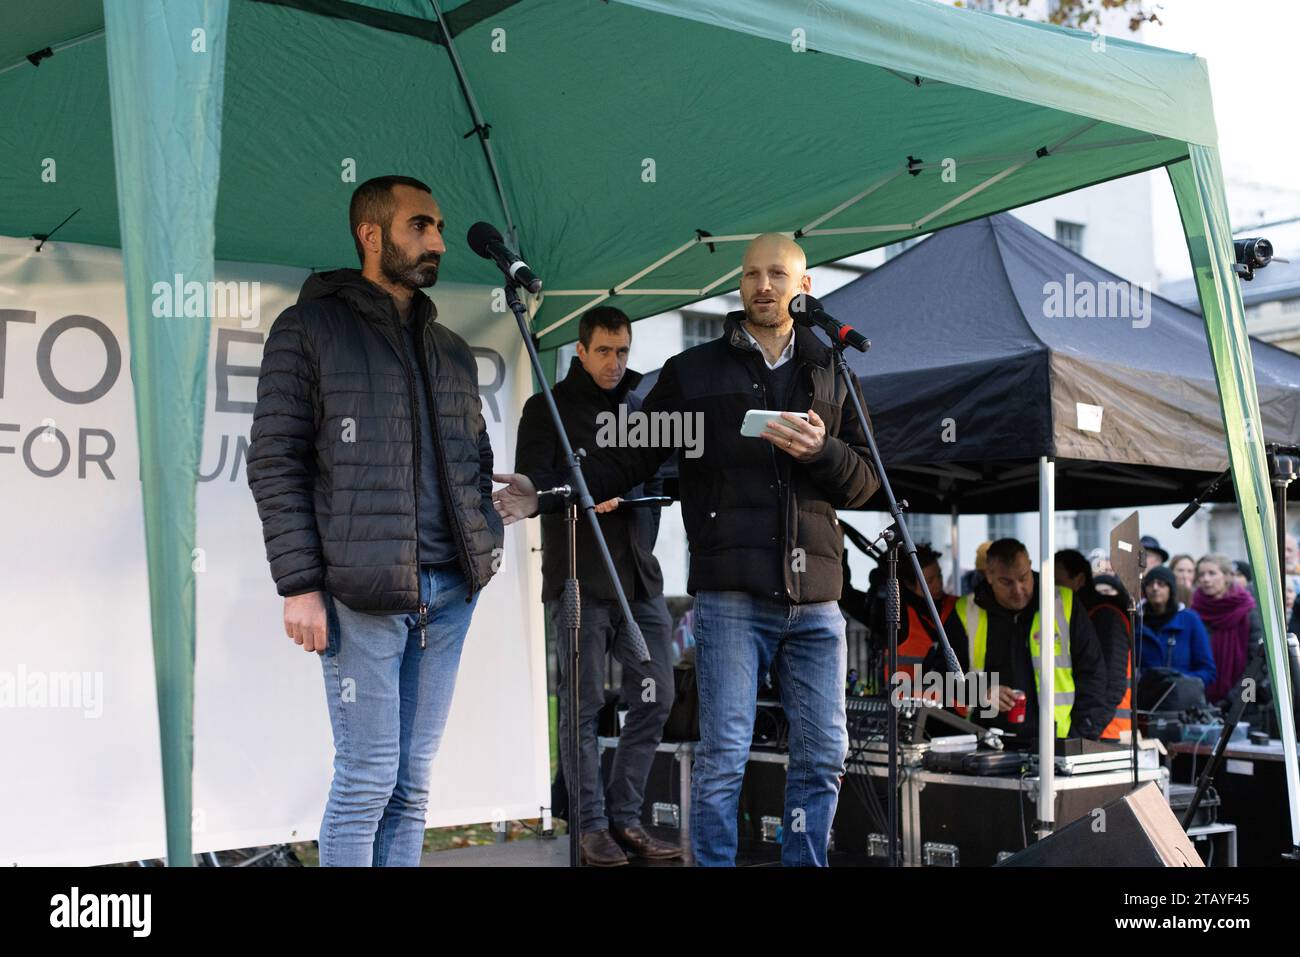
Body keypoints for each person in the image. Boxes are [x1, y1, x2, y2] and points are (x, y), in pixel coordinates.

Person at [494, 233, 881, 866]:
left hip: (816, 600)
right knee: (724, 754)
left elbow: (869, 479)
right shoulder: (695, 373)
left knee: (824, 753)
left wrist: (823, 452)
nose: (762, 285)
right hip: (730, 596)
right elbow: (626, 456)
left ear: (804, 286)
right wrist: (549, 489)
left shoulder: (832, 371)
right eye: (751, 273)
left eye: (777, 274)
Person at [247, 175, 503, 866]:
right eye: (422, 226)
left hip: (449, 594)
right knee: (367, 780)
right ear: (371, 234)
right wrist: (299, 584)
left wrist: (486, 541)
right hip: (362, 594)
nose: (440, 242)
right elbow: (275, 460)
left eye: (440, 227)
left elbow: (475, 458)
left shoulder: (449, 347)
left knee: (412, 785)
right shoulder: (309, 329)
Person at [512, 306, 680, 866]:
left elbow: (663, 473)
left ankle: (625, 817)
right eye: (604, 351)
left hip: (640, 579)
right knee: (581, 710)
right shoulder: (547, 410)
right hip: (579, 578)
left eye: (623, 351)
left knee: (658, 696)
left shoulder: (639, 406)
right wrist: (584, 491)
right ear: (580, 351)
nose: (615, 362)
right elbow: (534, 489)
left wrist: (635, 495)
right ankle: (589, 825)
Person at [929, 538, 1110, 741]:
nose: (1018, 590)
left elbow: (1093, 673)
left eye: (1023, 578)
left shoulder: (1063, 603)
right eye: (1006, 582)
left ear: (1030, 566)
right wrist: (982, 692)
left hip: (1057, 742)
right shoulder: (966, 611)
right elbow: (941, 678)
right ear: (989, 576)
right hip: (987, 742)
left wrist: (1081, 736)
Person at [1055, 549, 1131, 740]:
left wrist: (1086, 731)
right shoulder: (1074, 616)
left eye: (1057, 583)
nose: (1052, 591)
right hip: (1088, 729)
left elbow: (1113, 684)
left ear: (1079, 580)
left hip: (1106, 733)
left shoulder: (1104, 616)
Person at [1192, 554, 1262, 706]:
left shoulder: (1248, 611)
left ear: (1227, 577)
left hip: (1243, 706)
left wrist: (1235, 700)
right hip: (1202, 702)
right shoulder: (1194, 612)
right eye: (1201, 574)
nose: (1205, 579)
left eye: (1212, 573)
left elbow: (1257, 663)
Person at [1136, 565, 1215, 689]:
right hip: (1142, 702)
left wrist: (1179, 681)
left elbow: (1207, 671)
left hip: (1182, 702)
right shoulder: (1135, 620)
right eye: (1150, 584)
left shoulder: (1189, 620)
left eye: (1161, 584)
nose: (1155, 588)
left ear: (1171, 589)